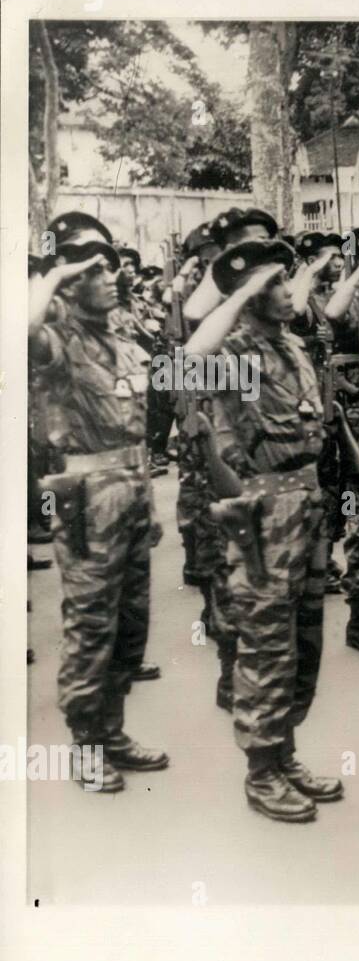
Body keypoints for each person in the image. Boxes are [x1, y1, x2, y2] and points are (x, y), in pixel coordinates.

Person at [184, 238, 343, 823]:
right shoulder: (237, 354)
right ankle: (261, 770)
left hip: (307, 503)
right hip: (264, 513)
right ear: (249, 295)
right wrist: (242, 291)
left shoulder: (294, 346)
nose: (286, 292)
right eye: (272, 285)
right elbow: (191, 356)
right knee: (266, 643)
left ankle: (286, 752)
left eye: (285, 281)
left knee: (304, 642)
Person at [28, 220, 169, 793]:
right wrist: (55, 273)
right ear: (67, 284)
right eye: (94, 271)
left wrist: (150, 501)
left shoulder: (120, 341)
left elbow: (134, 431)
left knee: (130, 626)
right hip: (86, 501)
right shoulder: (55, 343)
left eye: (110, 268)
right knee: (91, 626)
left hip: (130, 491)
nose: (110, 278)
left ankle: (112, 731)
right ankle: (86, 746)